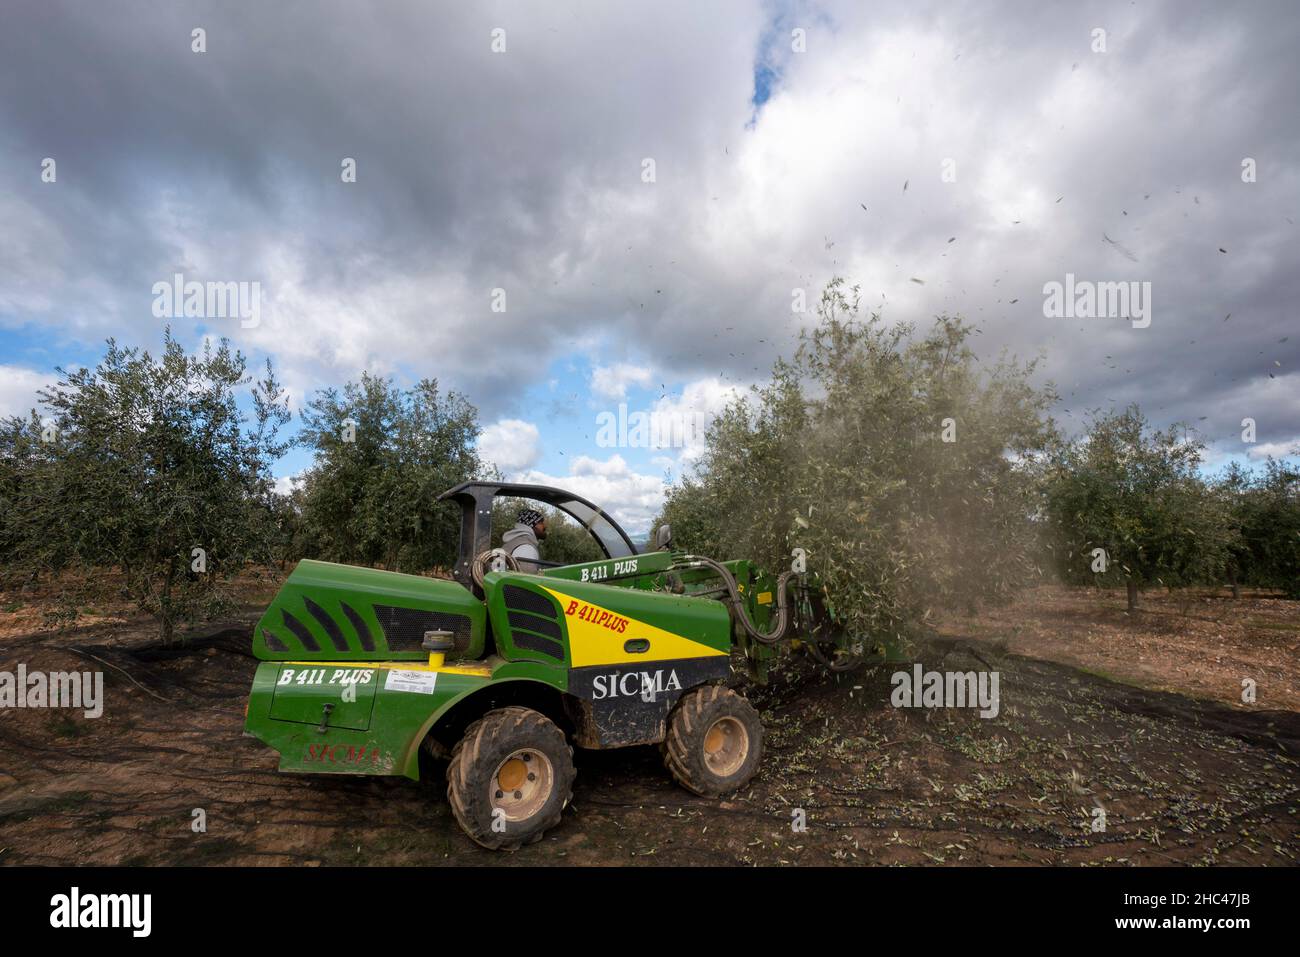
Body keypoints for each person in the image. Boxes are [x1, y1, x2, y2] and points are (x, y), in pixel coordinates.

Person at [502, 507, 548, 573]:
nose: (545, 526)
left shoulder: (515, 541)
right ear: (531, 524)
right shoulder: (526, 548)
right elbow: (526, 580)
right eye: (541, 523)